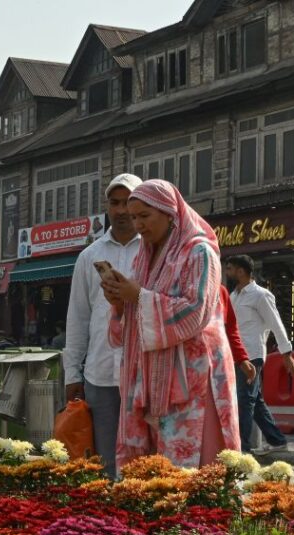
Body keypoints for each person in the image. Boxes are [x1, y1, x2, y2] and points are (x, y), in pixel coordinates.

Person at [101, 179, 240, 471]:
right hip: (154, 381)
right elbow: (131, 319)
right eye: (134, 217)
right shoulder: (144, 257)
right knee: (156, 471)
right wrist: (119, 303)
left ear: (168, 212)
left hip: (195, 377)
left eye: (144, 216)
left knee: (200, 470)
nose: (138, 224)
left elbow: (194, 312)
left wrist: (137, 296)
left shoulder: (199, 253)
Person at [63, 173, 143, 477]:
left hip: (142, 371)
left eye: (128, 203)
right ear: (107, 207)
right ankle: (108, 520)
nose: (122, 210)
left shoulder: (151, 251)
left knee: (142, 458)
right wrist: (73, 372)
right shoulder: (89, 256)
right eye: (115, 203)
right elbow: (78, 316)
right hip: (100, 371)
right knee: (105, 461)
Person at [225, 254, 294, 454]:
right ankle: (277, 440)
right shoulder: (233, 296)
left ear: (241, 271)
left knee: (245, 400)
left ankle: (243, 449)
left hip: (253, 355)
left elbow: (276, 324)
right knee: (254, 401)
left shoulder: (261, 295)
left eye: (230, 269)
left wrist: (286, 353)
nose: (227, 273)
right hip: (236, 356)